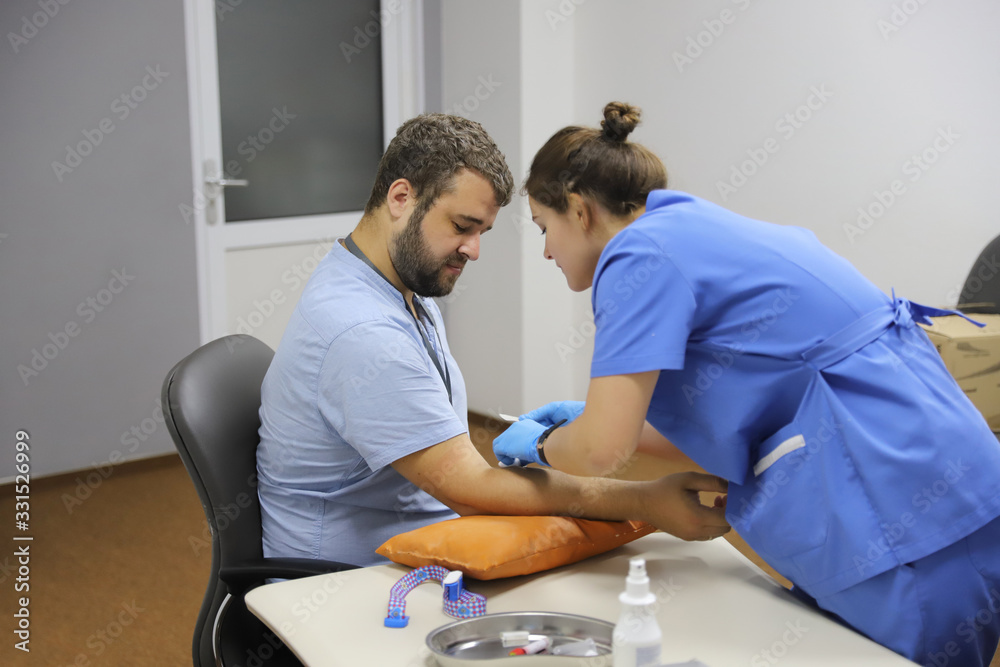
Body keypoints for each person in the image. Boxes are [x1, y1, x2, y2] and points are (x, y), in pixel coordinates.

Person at [493, 102, 1000, 667]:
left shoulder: (636, 255)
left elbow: (600, 450)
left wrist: (539, 445)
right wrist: (599, 421)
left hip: (900, 513)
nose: (545, 251)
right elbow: (735, 415)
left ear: (580, 210)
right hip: (951, 483)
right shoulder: (693, 228)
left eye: (544, 227)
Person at [255, 112, 730, 568]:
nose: (474, 250)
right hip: (347, 581)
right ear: (400, 198)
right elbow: (465, 487)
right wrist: (645, 499)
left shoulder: (389, 285)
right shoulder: (361, 331)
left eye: (482, 232)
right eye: (462, 227)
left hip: (419, 529)